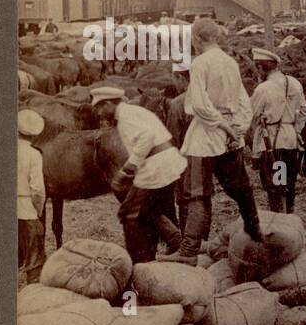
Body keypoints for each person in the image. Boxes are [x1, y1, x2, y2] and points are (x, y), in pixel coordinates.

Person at [160, 18, 262, 264]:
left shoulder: (199, 64)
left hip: (204, 138)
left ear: (197, 39)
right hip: (230, 138)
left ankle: (188, 252)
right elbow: (243, 102)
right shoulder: (230, 62)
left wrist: (223, 126)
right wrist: (237, 129)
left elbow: (199, 105)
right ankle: (255, 229)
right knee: (240, 187)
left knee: (197, 195)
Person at [92, 87, 187, 263]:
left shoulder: (126, 116)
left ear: (108, 104)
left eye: (99, 108)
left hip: (156, 167)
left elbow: (146, 139)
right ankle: (177, 245)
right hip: (165, 163)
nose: (97, 113)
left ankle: (139, 262)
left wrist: (126, 170)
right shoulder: (133, 112)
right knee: (153, 210)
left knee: (129, 213)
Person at [247, 47, 306, 213]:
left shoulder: (263, 88)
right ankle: (289, 214)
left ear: (261, 67)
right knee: (288, 183)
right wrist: (295, 128)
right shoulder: (294, 83)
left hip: (273, 144)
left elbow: (250, 113)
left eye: (257, 68)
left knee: (276, 185)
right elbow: (303, 110)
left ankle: (279, 219)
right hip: (291, 140)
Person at [17, 110, 47, 285]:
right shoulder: (34, 154)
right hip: (27, 209)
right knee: (34, 257)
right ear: (36, 134)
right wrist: (38, 210)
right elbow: (37, 190)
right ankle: (31, 291)